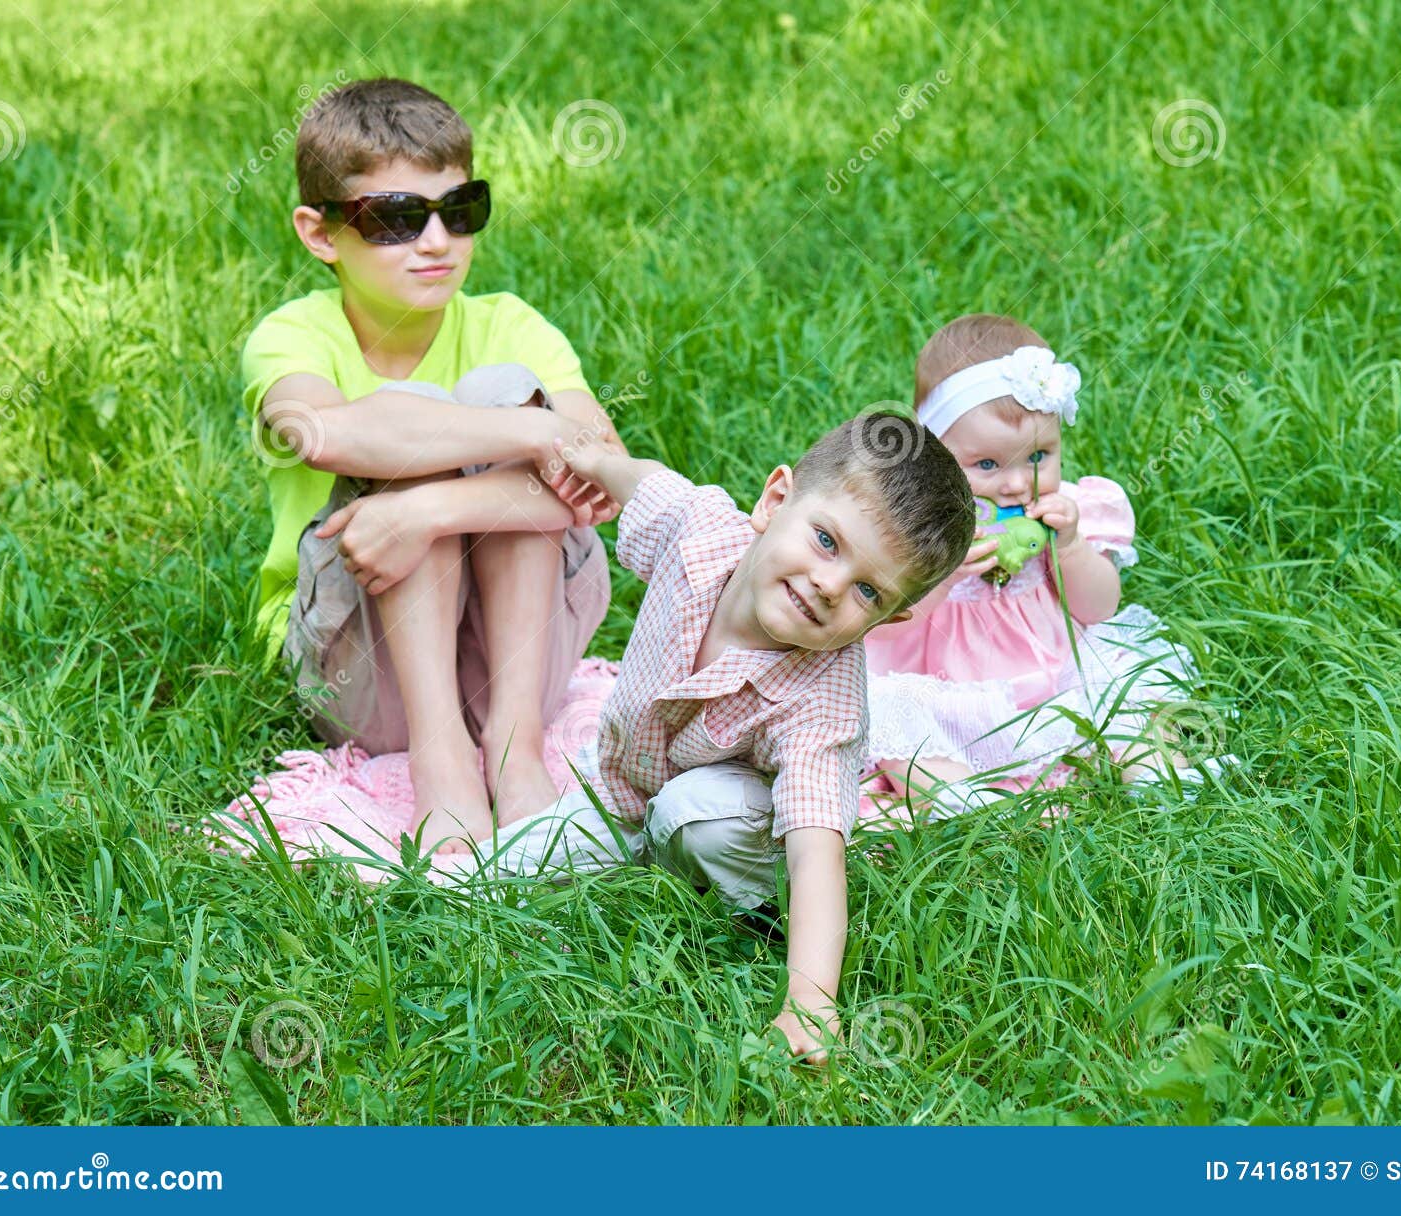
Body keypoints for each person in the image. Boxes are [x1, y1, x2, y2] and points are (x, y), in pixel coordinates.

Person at [240, 78, 618, 854]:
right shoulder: (292, 335)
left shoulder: (510, 324)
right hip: (365, 675)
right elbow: (327, 436)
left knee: (505, 389)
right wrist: (529, 438)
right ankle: (441, 765)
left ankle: (515, 755)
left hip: (517, 661)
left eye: (460, 209)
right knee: (416, 413)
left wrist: (425, 510)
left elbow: (605, 479)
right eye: (397, 219)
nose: (437, 240)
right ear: (320, 234)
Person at [527, 411, 974, 1061]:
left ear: (891, 617)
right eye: (827, 541)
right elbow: (649, 484)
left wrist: (810, 1004)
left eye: (868, 591)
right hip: (624, 787)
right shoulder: (701, 533)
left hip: (740, 826)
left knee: (692, 815)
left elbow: (815, 852)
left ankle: (752, 912)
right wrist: (597, 463)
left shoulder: (826, 701)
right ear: (774, 500)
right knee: (494, 870)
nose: (829, 585)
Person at [862, 313, 1215, 816]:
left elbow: (1099, 607)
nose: (1014, 484)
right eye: (985, 465)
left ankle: (1155, 772)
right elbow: (889, 629)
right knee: (896, 727)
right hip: (951, 687)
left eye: (1038, 457)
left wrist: (1069, 547)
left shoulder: (1069, 512)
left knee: (1121, 700)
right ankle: (969, 806)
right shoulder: (918, 530)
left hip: (1055, 672)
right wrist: (944, 573)